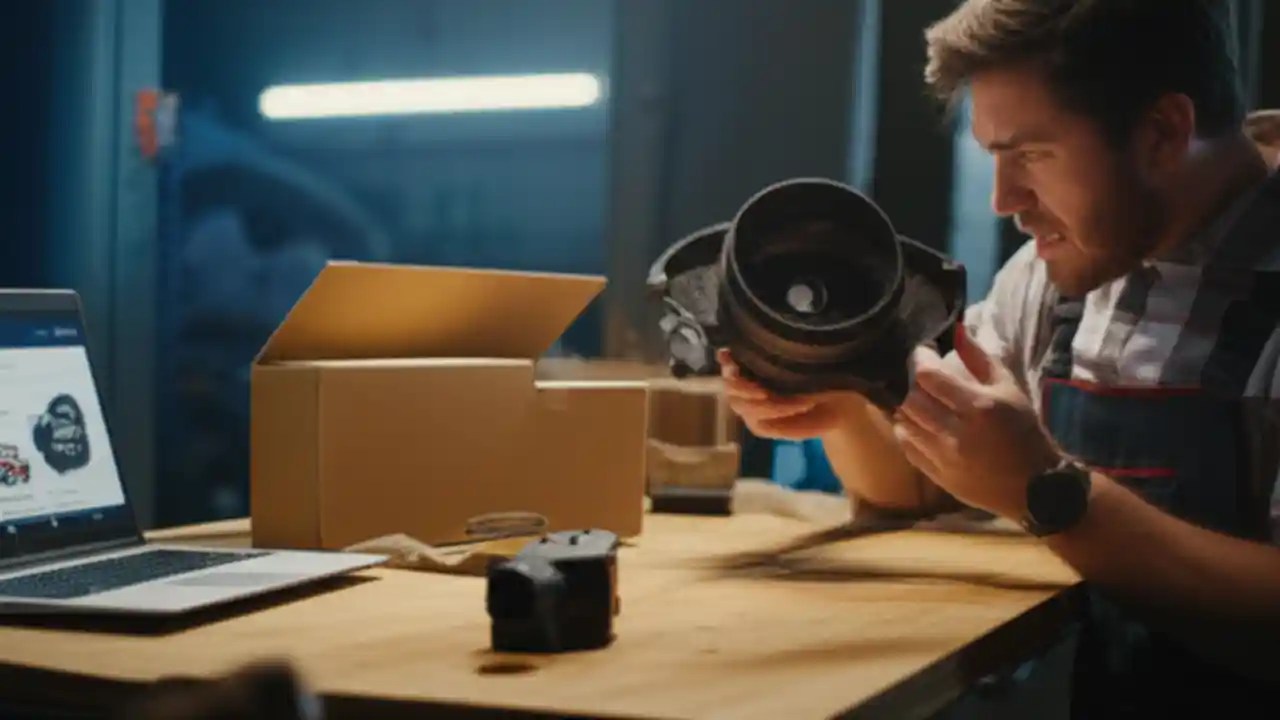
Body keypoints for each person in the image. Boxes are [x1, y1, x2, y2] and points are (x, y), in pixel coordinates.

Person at [721, 0, 1280, 716]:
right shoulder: (1055, 273)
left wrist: (1049, 492)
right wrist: (845, 406)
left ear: (1164, 131)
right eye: (992, 157)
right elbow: (918, 495)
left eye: (1031, 155)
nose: (1003, 200)